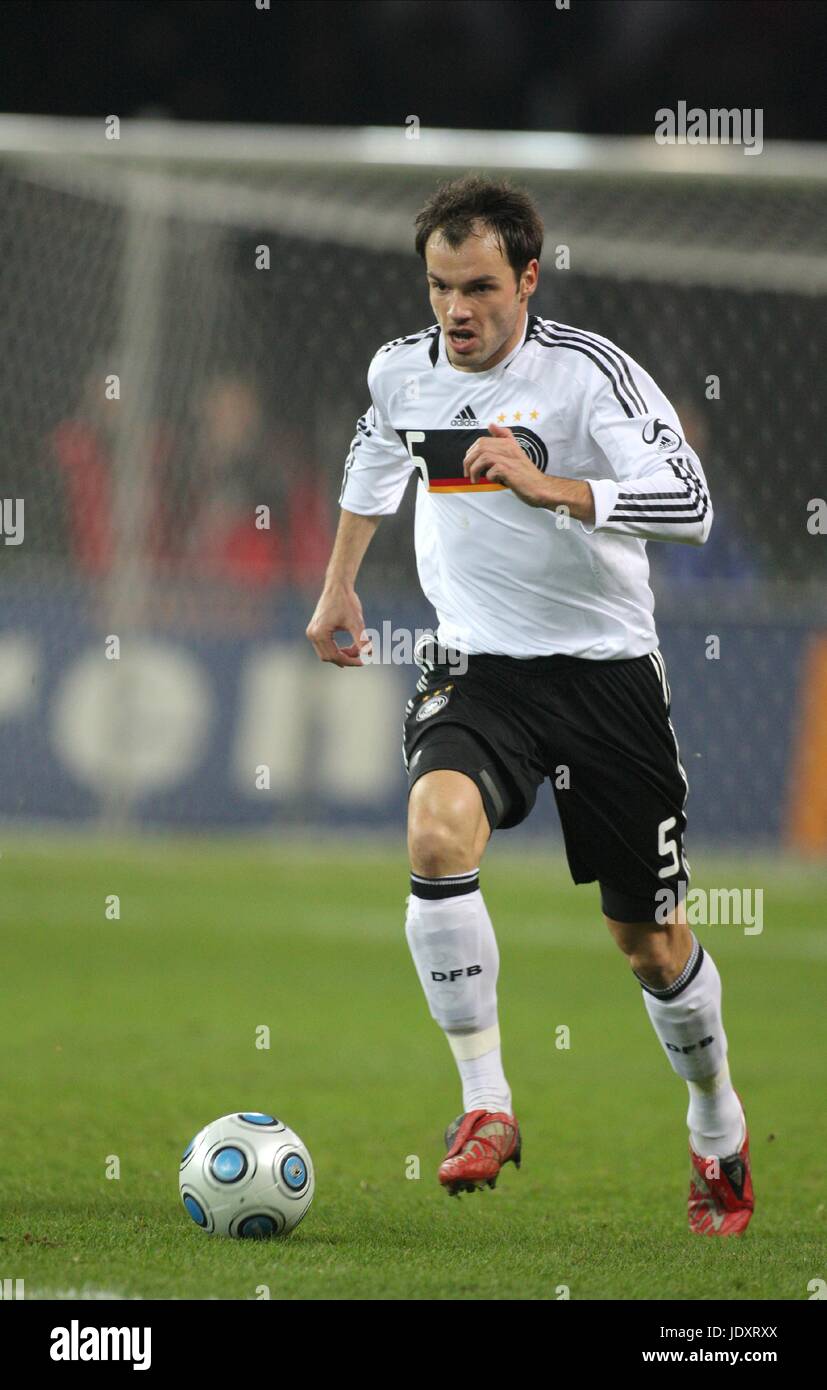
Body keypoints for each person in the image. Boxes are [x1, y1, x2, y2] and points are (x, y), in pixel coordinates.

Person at [306, 175, 753, 1235]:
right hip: (479, 667)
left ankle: (714, 1118)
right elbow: (377, 450)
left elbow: (687, 502)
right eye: (437, 287)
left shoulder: (588, 378)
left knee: (646, 941)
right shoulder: (403, 372)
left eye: (475, 288)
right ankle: (485, 1103)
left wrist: (561, 490)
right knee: (433, 825)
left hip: (604, 677)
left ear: (525, 281)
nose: (453, 311)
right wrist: (339, 580)